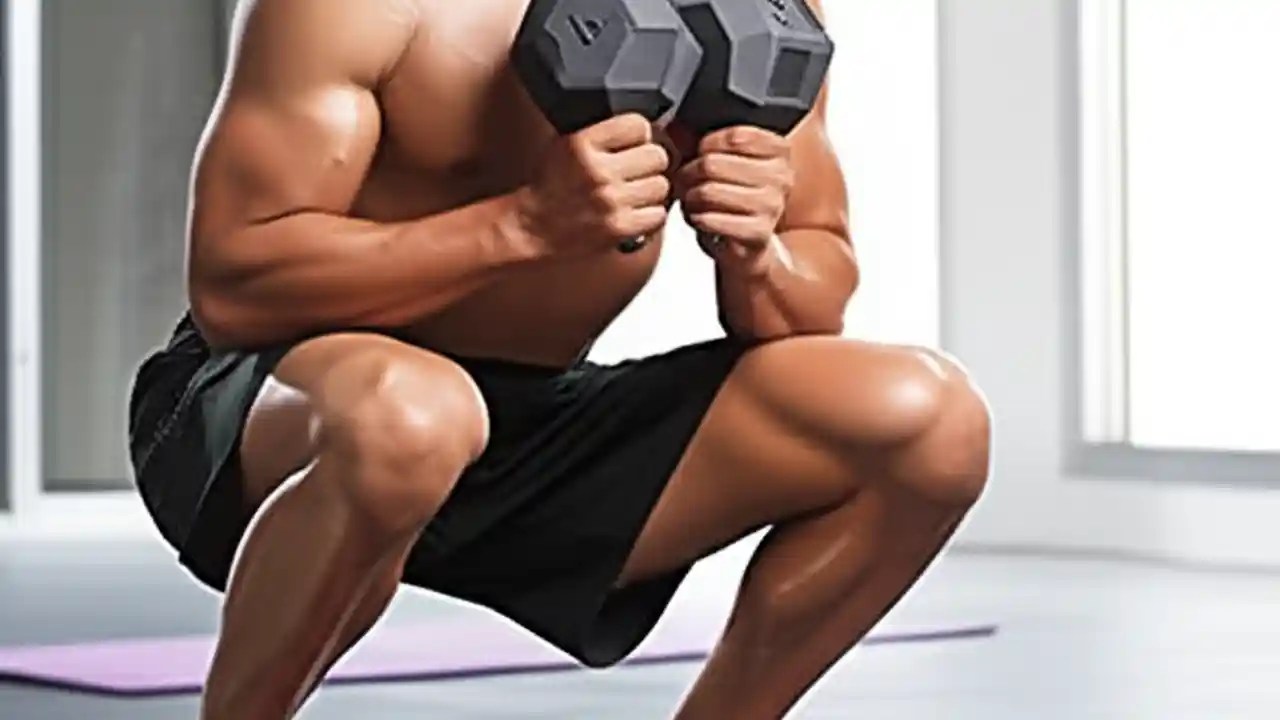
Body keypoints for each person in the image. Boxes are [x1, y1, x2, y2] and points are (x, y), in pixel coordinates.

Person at [127, 0, 992, 717]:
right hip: (277, 401)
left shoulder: (753, 12)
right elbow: (237, 284)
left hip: (529, 422)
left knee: (929, 418)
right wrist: (521, 227)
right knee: (413, 414)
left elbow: (811, 301)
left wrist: (758, 250)